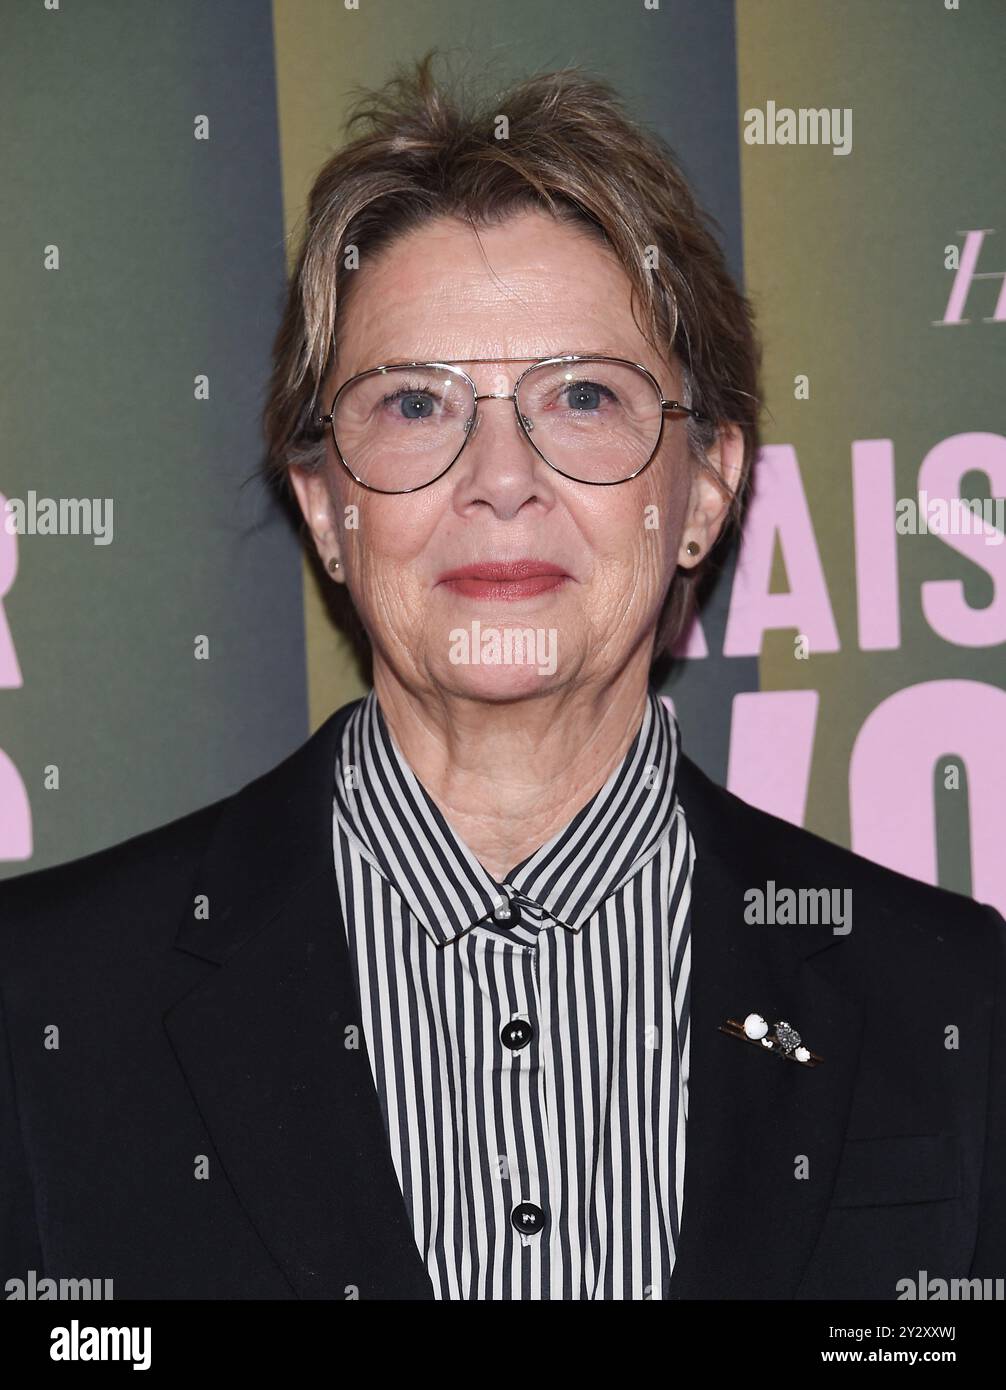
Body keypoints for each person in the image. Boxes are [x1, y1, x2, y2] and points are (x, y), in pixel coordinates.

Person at [2, 52, 1004, 1302]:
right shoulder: (42, 1005)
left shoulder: (951, 1000)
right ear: (324, 505)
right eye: (415, 405)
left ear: (703, 490)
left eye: (582, 396)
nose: (500, 477)